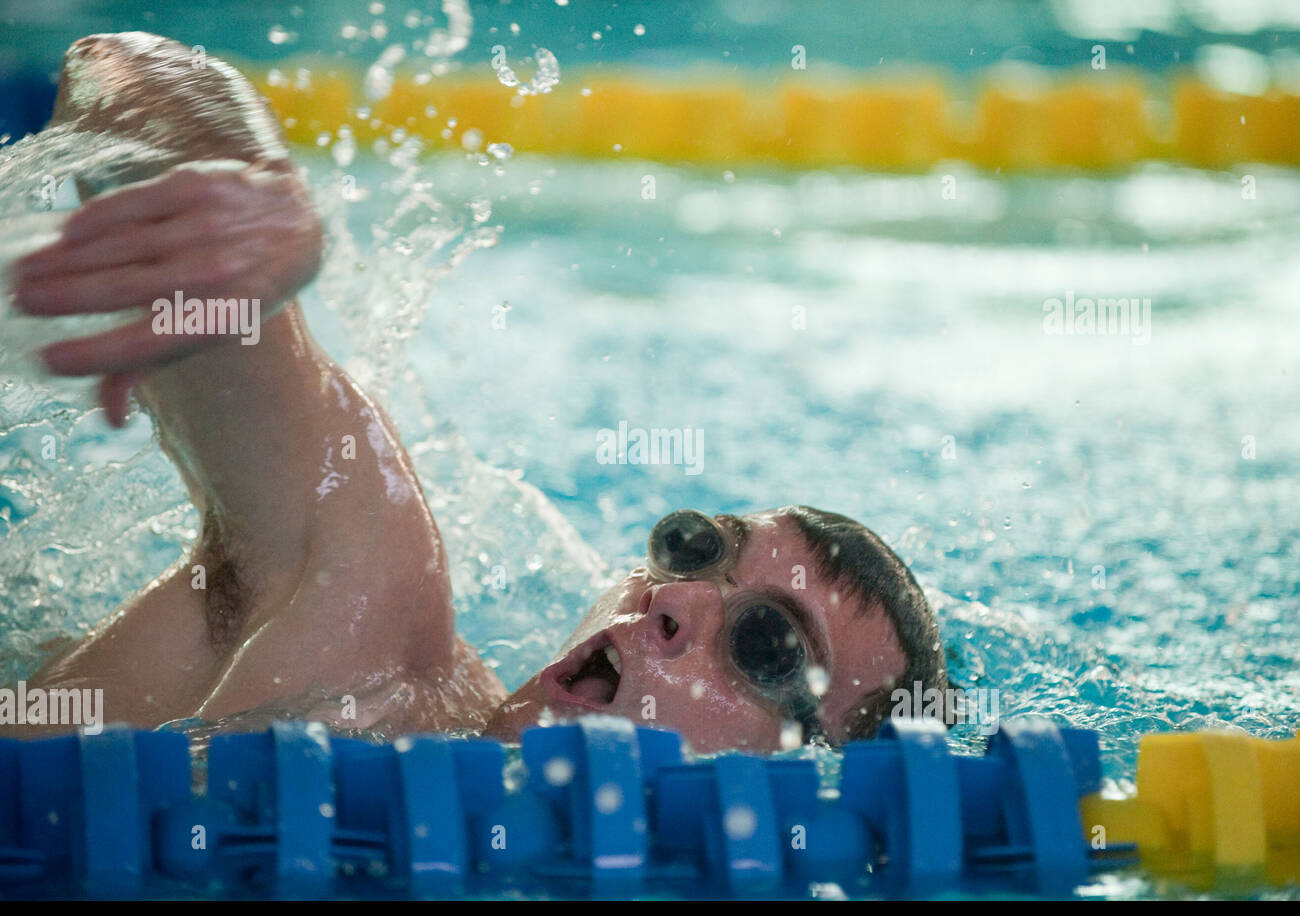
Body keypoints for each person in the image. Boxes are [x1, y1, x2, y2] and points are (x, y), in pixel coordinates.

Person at [2, 33, 945, 751]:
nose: (673, 600)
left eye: (767, 647)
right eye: (695, 549)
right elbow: (123, 69)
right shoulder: (365, 618)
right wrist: (246, 189)